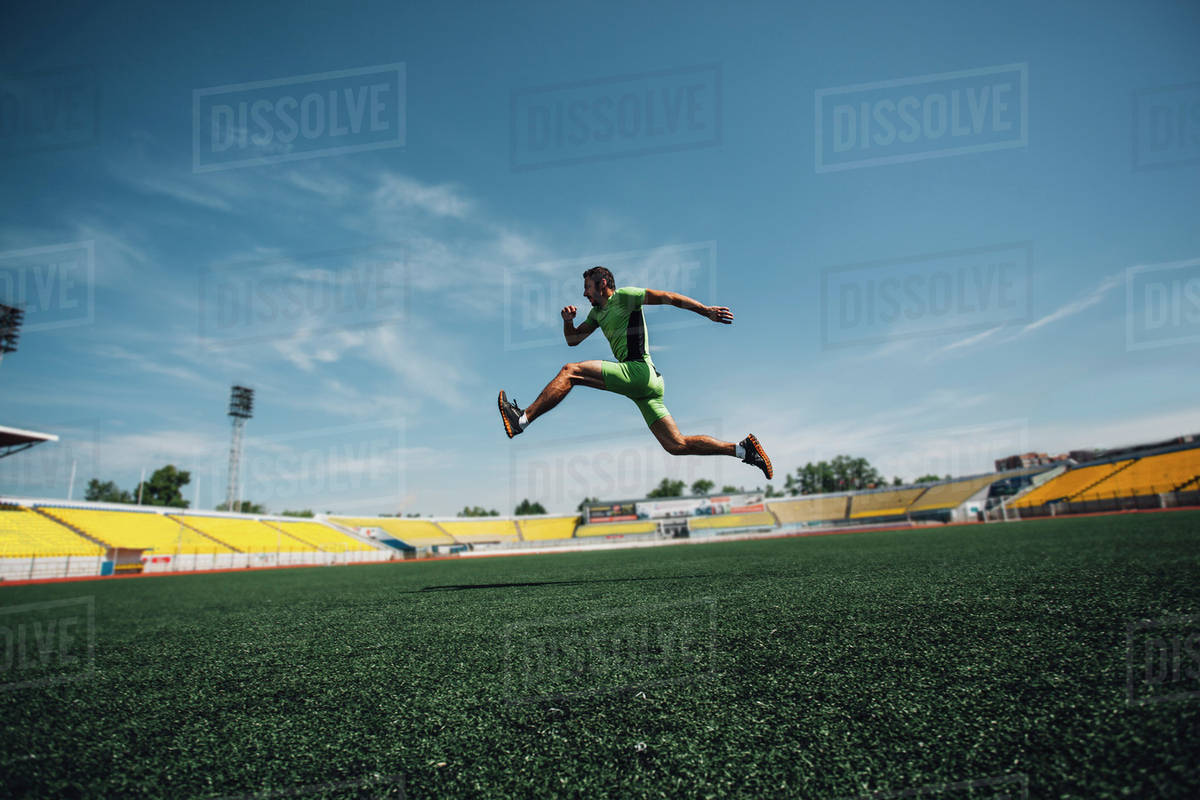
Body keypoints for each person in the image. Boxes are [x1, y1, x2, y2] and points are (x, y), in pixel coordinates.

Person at [498, 266, 773, 479]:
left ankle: (521, 419)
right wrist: (568, 322)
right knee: (676, 445)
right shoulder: (597, 314)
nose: (584, 294)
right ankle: (743, 449)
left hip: (638, 370)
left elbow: (667, 297)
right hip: (647, 385)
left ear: (602, 284)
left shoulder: (626, 297)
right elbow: (573, 340)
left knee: (570, 372)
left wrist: (705, 311)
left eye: (587, 288)